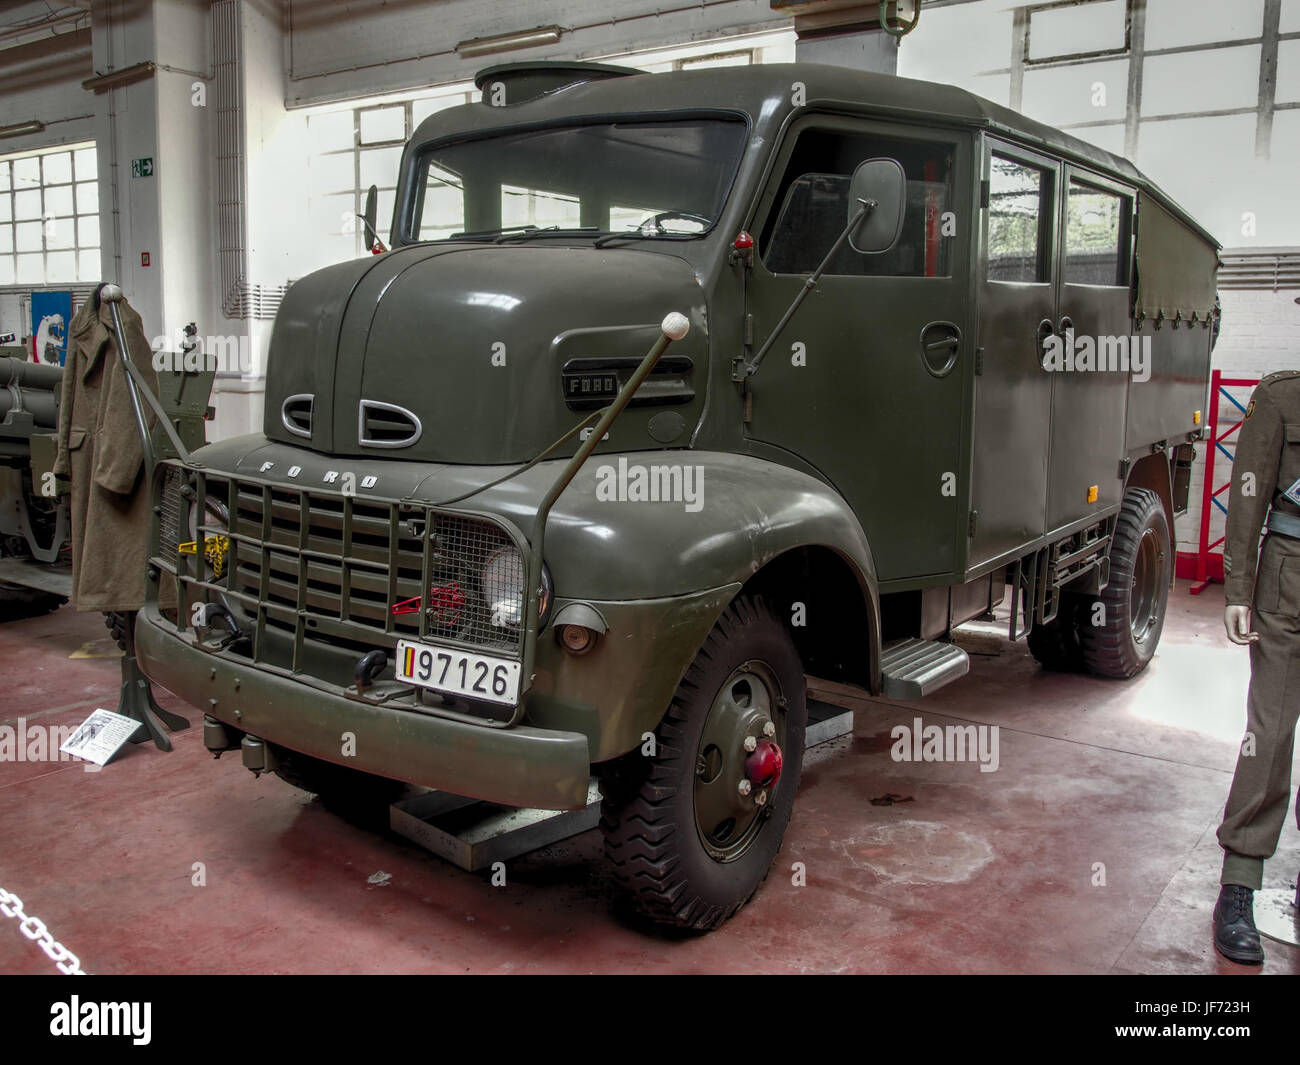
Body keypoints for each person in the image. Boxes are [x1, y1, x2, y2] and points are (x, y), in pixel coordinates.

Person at [1217, 347, 1300, 965]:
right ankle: (1240, 884)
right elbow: (1248, 497)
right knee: (1269, 733)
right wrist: (1239, 587)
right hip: (1290, 577)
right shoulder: (1281, 396)